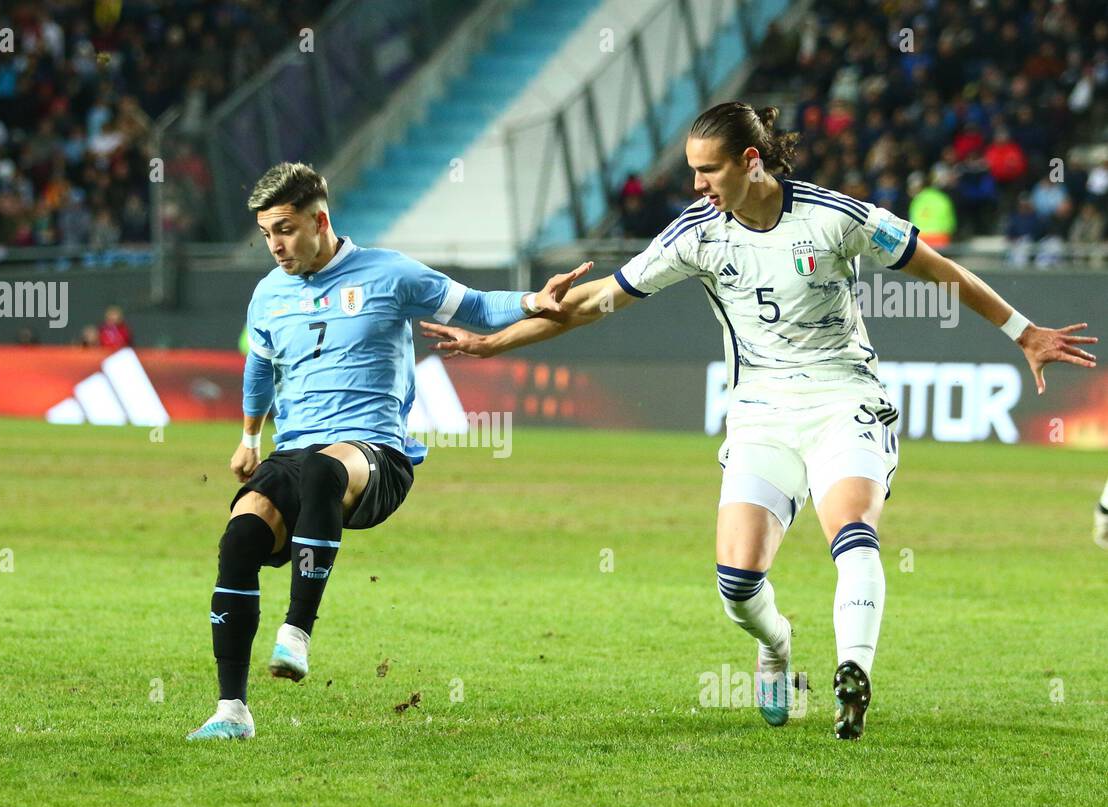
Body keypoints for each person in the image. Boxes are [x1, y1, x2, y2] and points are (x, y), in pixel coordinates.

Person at [422, 102, 1097, 740]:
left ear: (750, 161)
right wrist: (494, 341)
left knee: (854, 532)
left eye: (708, 169)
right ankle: (777, 647)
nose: (697, 182)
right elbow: (599, 301)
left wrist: (1021, 330)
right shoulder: (695, 234)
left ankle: (854, 671)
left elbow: (937, 267)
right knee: (738, 582)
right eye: (692, 170)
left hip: (845, 402)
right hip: (760, 416)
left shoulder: (838, 217)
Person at [186, 162, 588, 740]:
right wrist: (249, 438)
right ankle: (231, 712)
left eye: (286, 229)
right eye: (266, 233)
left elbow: (473, 307)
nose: (275, 245)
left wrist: (530, 300)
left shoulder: (390, 274)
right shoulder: (268, 294)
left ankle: (296, 632)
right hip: (292, 453)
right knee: (239, 538)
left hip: (374, 456)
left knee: (326, 469)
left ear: (320, 220)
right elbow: (259, 366)